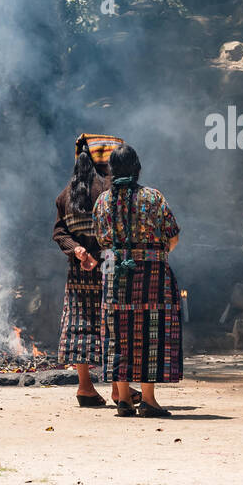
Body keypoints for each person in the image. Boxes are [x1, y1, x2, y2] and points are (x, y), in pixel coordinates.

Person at [93, 144, 182, 418]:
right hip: (152, 271)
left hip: (113, 271)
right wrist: (154, 254)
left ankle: (123, 399)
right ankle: (149, 400)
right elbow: (173, 235)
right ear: (137, 168)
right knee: (150, 333)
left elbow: (100, 240)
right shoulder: (154, 198)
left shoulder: (102, 201)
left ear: (111, 170)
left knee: (119, 333)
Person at [54, 133, 139, 408]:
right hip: (108, 268)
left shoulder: (66, 194)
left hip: (80, 269)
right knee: (112, 327)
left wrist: (78, 251)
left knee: (81, 327)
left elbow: (59, 232)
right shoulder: (112, 190)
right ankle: (117, 389)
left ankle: (85, 387)